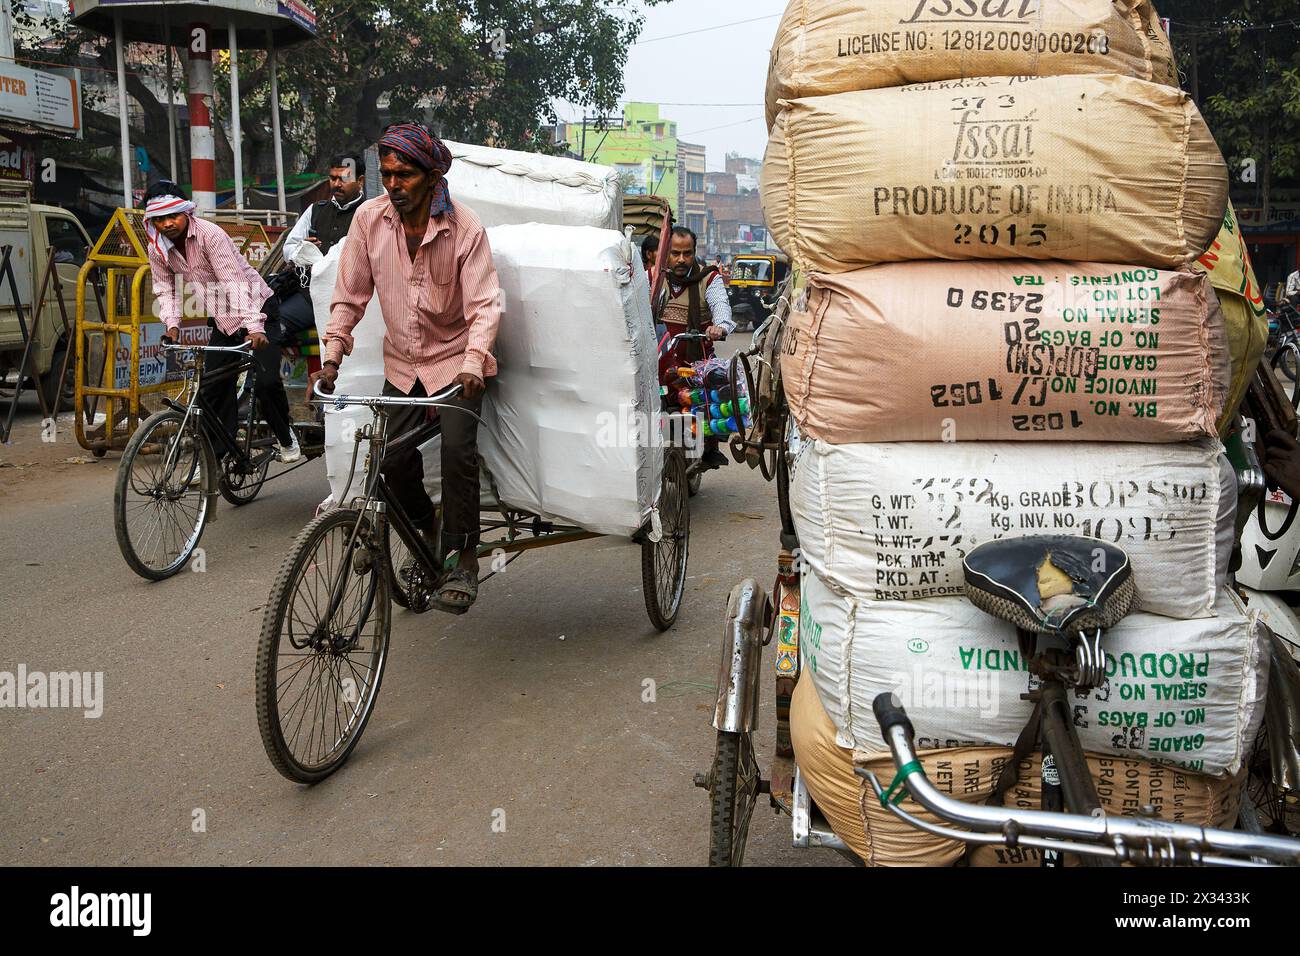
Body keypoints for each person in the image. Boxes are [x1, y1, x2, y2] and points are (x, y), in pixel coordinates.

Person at [315, 123, 501, 610]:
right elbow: (349, 295)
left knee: (458, 453)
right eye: (386, 175)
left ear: (432, 174)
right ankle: (427, 524)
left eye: (404, 176)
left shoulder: (465, 229)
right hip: (402, 365)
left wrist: (474, 363)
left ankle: (464, 558)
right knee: (390, 461)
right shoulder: (368, 221)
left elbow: (484, 307)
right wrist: (332, 355)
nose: (393, 185)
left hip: (458, 362)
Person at [145, 181, 299, 463]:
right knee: (212, 389)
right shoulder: (157, 246)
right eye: (159, 219)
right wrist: (172, 325)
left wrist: (254, 327)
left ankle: (286, 437)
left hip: (258, 310)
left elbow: (235, 283)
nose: (167, 224)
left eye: (172, 216)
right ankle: (215, 460)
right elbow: (165, 288)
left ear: (185, 212)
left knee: (265, 383)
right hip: (224, 319)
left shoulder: (209, 235)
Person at [270, 153, 368, 346]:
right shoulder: (316, 209)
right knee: (272, 326)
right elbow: (289, 247)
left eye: (344, 179)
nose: (337, 184)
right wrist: (304, 250)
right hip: (310, 296)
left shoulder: (371, 213)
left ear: (360, 181)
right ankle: (267, 377)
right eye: (333, 178)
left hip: (354, 299)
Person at [658, 225, 735, 469]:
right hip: (658, 359)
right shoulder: (653, 278)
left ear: (694, 252)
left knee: (712, 396)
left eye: (687, 253)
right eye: (675, 253)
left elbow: (721, 306)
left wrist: (719, 327)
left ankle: (710, 447)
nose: (681, 259)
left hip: (694, 360)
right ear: (665, 253)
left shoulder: (709, 278)